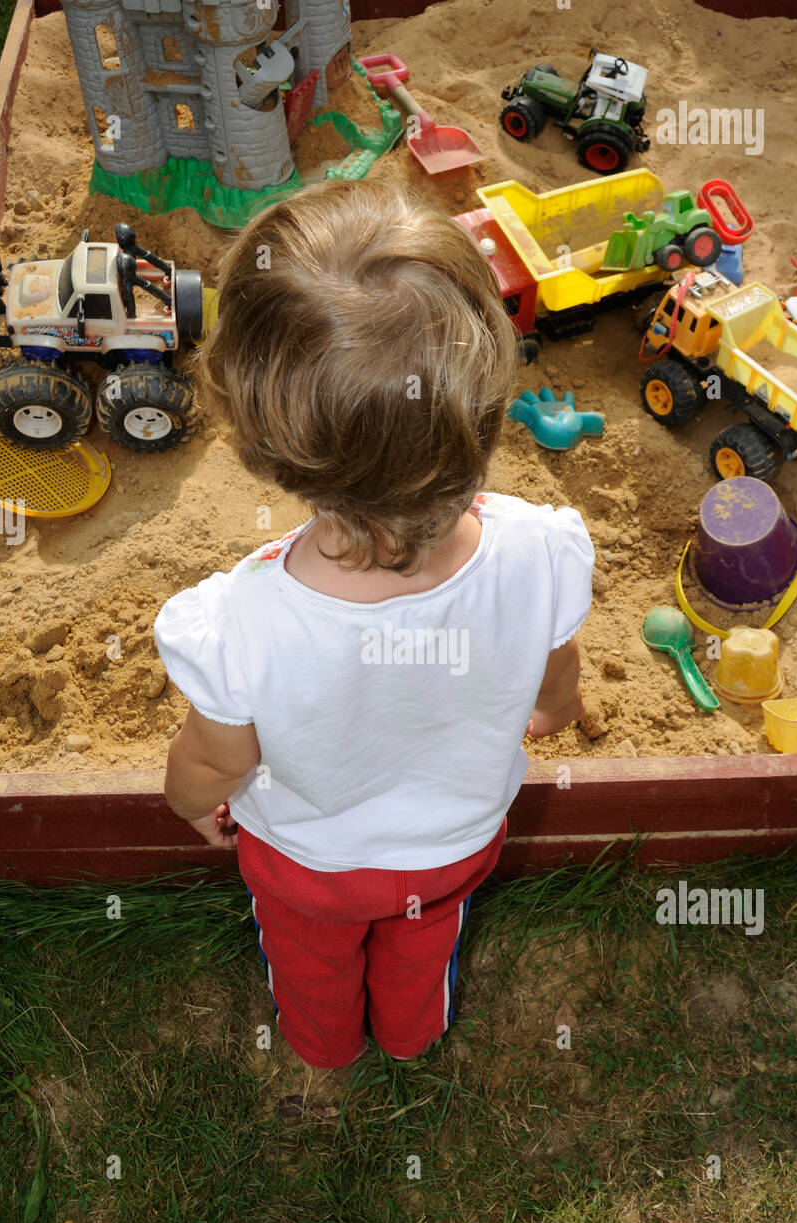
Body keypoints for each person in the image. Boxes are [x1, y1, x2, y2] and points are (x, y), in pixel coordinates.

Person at [154, 180, 593, 1070]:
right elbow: (555, 677)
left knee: (310, 964)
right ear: (488, 401)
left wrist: (189, 803)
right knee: (423, 940)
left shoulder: (236, 623)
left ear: (262, 441)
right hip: (452, 847)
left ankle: (322, 1048)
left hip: (308, 868)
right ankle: (410, 1034)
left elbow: (217, 760)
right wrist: (553, 704)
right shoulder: (543, 553)